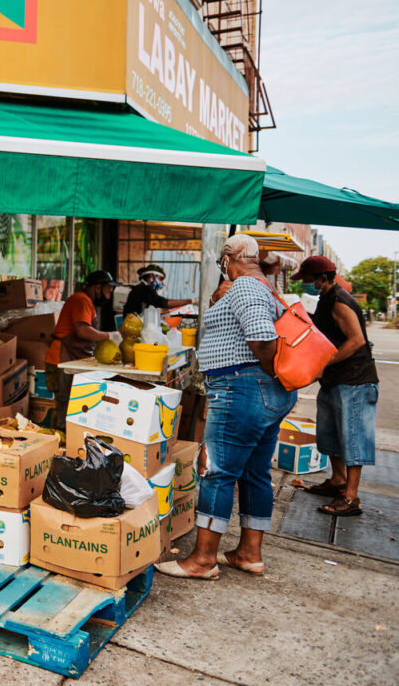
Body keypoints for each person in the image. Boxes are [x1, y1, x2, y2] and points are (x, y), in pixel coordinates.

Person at [157, 234, 296, 580]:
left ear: (230, 257)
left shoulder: (247, 287)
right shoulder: (263, 287)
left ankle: (203, 560)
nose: (223, 267)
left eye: (222, 261)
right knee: (254, 473)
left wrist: (264, 374)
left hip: (241, 389)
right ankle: (249, 553)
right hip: (259, 391)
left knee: (217, 473)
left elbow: (262, 338)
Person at [292, 255, 379, 517]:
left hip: (354, 381)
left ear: (322, 279)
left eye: (307, 280)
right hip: (334, 380)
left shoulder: (341, 301)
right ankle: (338, 480)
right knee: (330, 434)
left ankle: (351, 498)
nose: (305, 284)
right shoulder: (325, 299)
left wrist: (324, 364)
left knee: (353, 439)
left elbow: (357, 341)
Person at [44, 270, 119, 427]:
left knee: (71, 404)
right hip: (61, 359)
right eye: (108, 290)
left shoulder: (86, 302)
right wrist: (110, 336)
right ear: (98, 287)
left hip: (70, 359)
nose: (109, 295)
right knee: (64, 404)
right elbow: (82, 330)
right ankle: (59, 442)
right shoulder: (81, 300)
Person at [122, 264, 193, 316]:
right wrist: (191, 301)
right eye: (161, 279)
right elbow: (163, 303)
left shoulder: (141, 288)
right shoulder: (145, 289)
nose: (162, 282)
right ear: (152, 276)